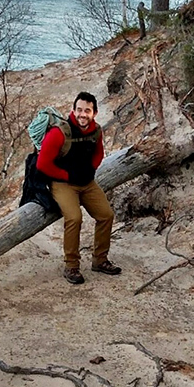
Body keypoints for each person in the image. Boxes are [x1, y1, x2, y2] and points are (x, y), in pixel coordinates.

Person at [36, 92, 120, 285]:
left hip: (87, 183)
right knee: (74, 217)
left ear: (95, 113)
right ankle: (71, 266)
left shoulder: (96, 131)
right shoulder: (59, 133)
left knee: (106, 215)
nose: (83, 114)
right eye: (79, 110)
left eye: (87, 111)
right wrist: (67, 176)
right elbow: (42, 164)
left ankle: (100, 260)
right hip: (63, 184)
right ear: (73, 110)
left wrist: (91, 169)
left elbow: (99, 153)